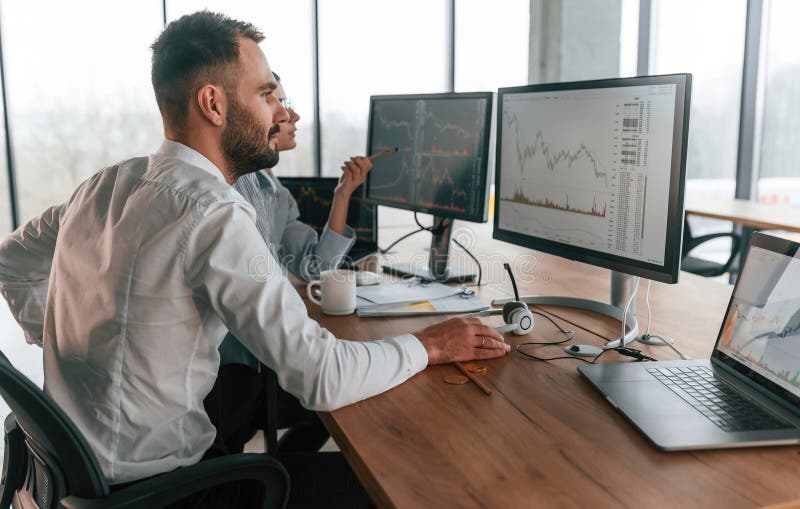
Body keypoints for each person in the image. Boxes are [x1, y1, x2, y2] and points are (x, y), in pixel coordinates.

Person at [0, 10, 510, 508]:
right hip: (162, 490)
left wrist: (59, 341)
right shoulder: (213, 213)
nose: (280, 113)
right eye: (267, 94)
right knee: (401, 482)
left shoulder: (105, 183)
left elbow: (10, 261)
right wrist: (432, 344)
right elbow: (322, 376)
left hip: (69, 476)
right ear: (213, 104)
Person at [211, 72, 364, 456]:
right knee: (345, 393)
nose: (292, 115)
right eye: (273, 100)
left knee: (335, 397)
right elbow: (263, 286)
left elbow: (315, 265)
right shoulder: (237, 185)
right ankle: (276, 483)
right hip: (233, 377)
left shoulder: (271, 188)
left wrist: (343, 194)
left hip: (255, 366)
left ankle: (281, 477)